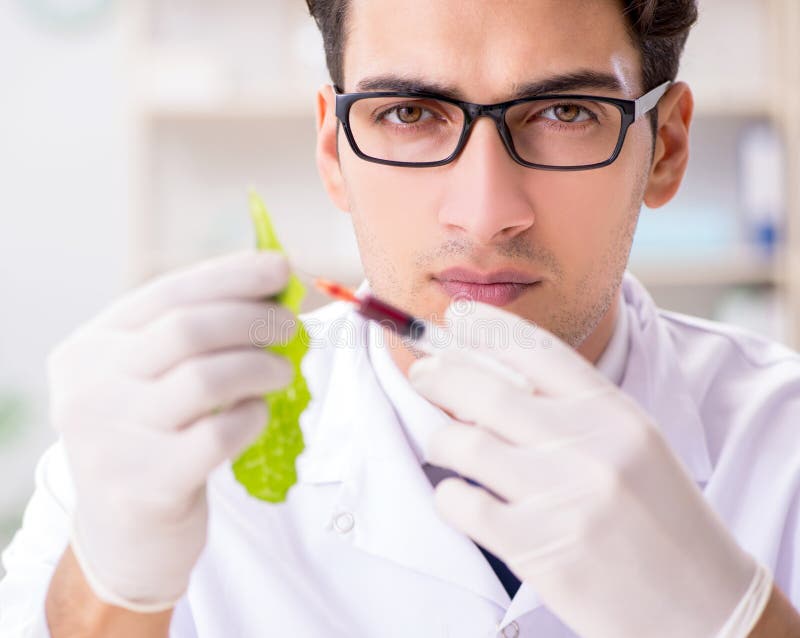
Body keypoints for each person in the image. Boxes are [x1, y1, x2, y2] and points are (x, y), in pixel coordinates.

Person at [1, 0, 799, 636]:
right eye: (410, 114)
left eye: (563, 112)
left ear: (664, 145)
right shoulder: (147, 465)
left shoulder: (784, 444)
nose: (484, 216)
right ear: (332, 151)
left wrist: (741, 624)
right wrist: (112, 598)